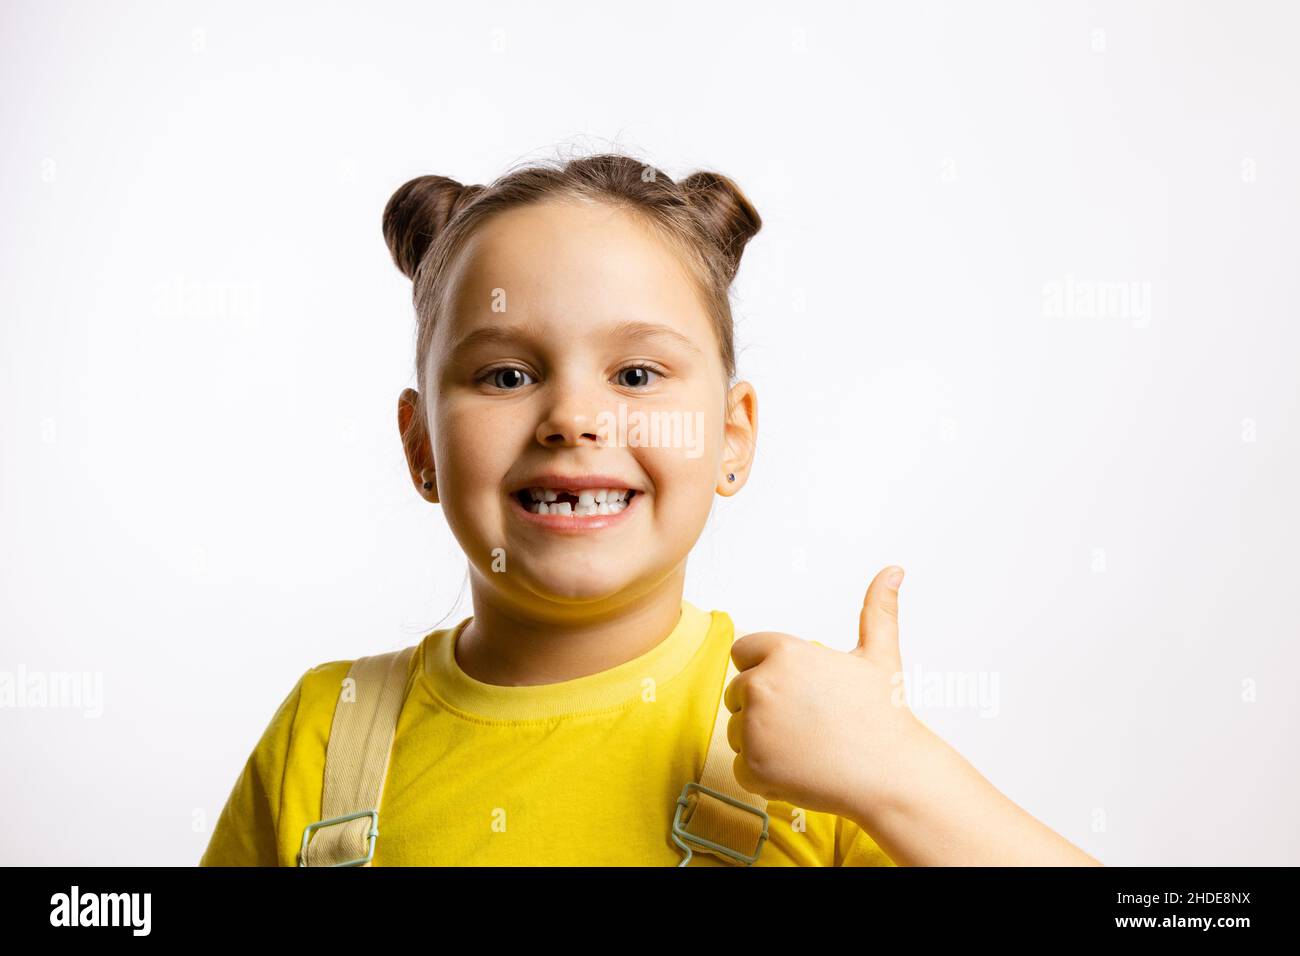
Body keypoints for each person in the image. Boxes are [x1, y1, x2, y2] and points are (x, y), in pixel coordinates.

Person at [200, 152, 1100, 866]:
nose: (573, 419)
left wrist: (901, 774)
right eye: (507, 375)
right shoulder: (326, 735)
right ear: (420, 445)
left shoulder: (819, 746)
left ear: (732, 436)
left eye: (636, 375)